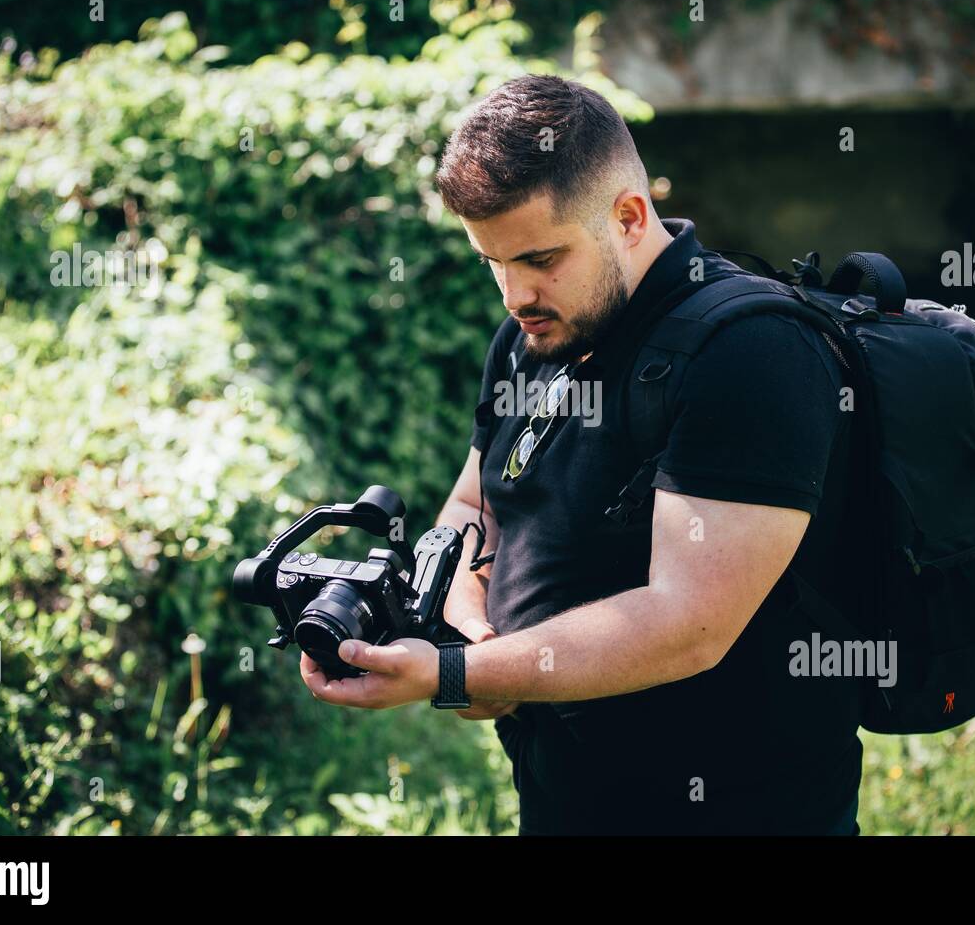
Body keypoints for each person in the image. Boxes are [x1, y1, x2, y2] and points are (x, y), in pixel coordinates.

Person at [303, 74, 863, 836]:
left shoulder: (749, 350)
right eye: (494, 262)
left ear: (628, 216)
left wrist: (456, 673)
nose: (514, 295)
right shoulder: (535, 333)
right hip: (563, 790)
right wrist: (468, 632)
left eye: (540, 258)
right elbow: (474, 504)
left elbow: (690, 623)